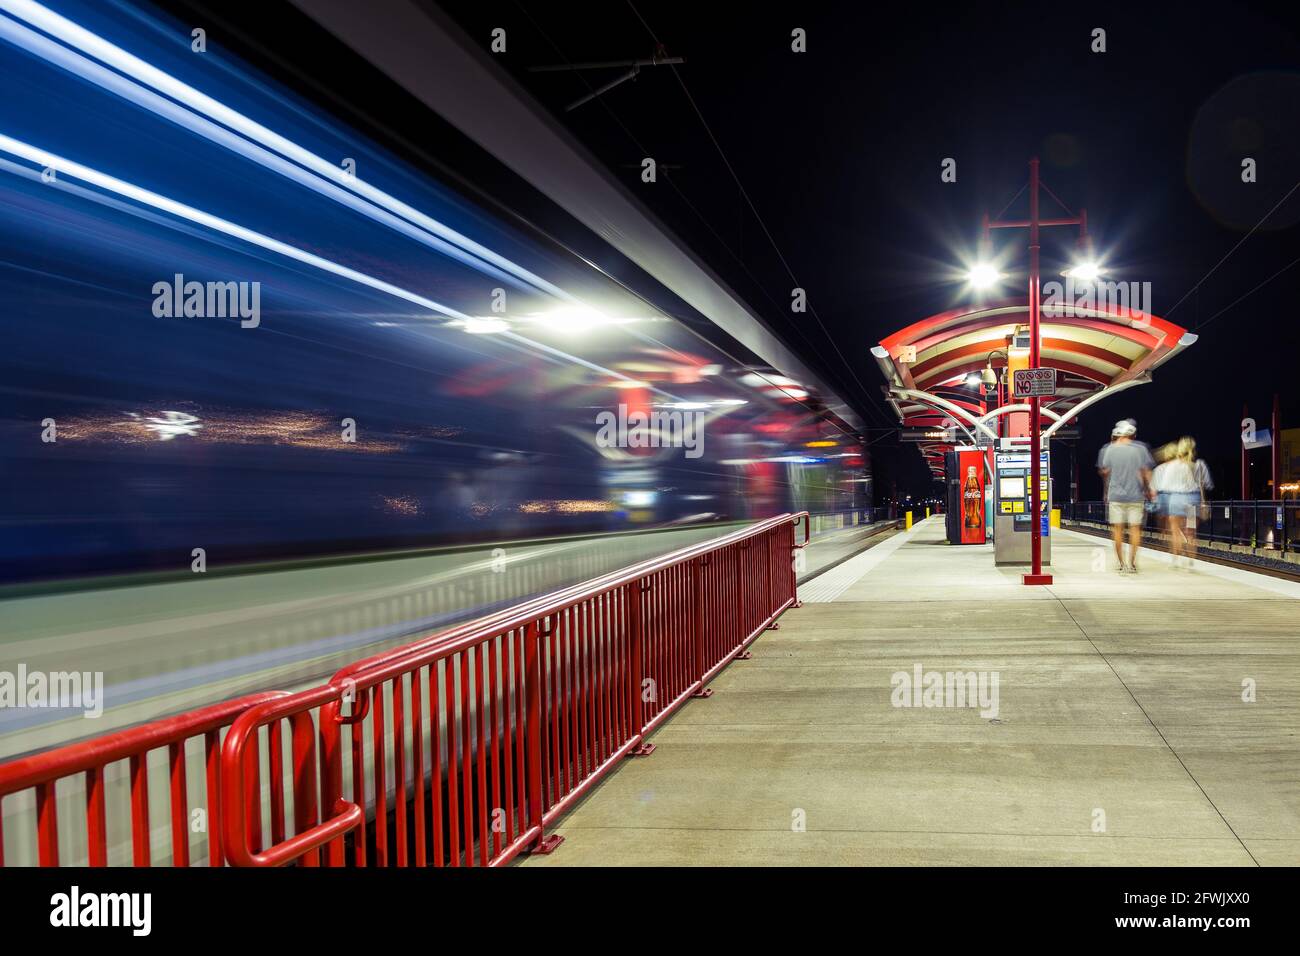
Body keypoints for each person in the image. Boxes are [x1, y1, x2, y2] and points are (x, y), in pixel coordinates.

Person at [1097, 419, 1155, 573]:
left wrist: (1105, 491)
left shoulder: (1108, 449)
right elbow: (1146, 472)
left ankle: (1121, 563)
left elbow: (1105, 473)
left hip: (1115, 495)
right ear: (1133, 435)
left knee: (1117, 530)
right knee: (1135, 530)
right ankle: (1132, 563)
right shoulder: (1140, 449)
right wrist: (1150, 490)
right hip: (1136, 496)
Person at [1164, 436, 1213, 568]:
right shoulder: (1200, 465)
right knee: (1191, 532)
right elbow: (1206, 484)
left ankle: (1175, 561)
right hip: (1192, 500)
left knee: (1175, 531)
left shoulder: (1173, 466)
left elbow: (1166, 486)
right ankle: (1190, 561)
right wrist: (1203, 502)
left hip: (1176, 500)